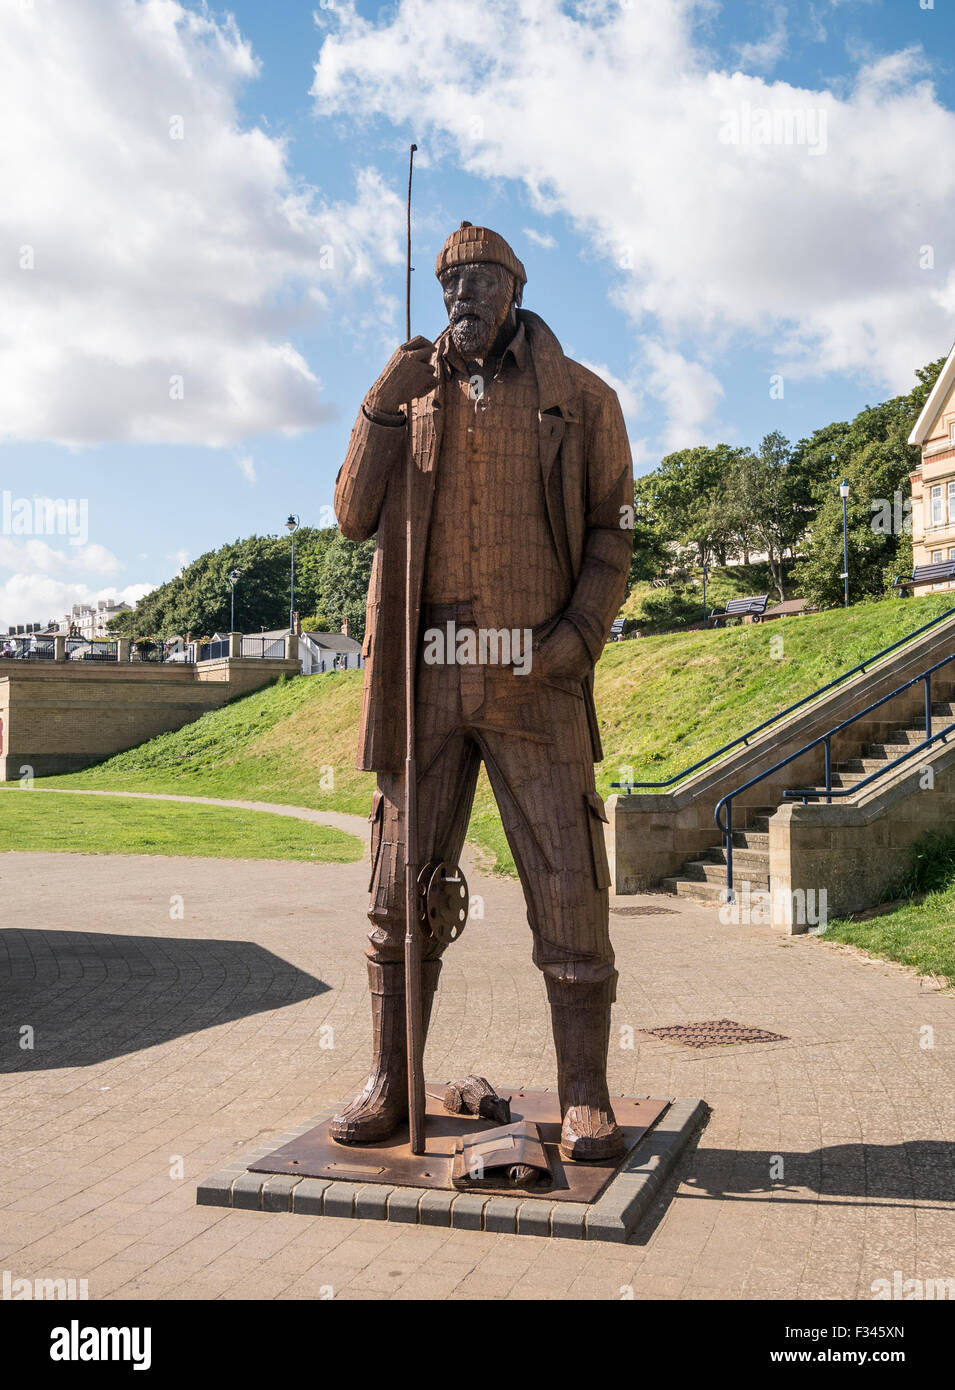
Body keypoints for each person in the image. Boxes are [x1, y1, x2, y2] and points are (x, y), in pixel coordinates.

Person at [332, 223, 634, 1161]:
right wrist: (384, 405)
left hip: (531, 672)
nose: (462, 296)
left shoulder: (582, 399)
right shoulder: (408, 397)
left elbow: (612, 534)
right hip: (421, 672)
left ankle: (585, 1095)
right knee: (395, 888)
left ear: (514, 289)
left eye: (480, 282)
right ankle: (392, 1082)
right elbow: (349, 515)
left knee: (568, 884)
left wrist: (574, 640)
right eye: (449, 283)